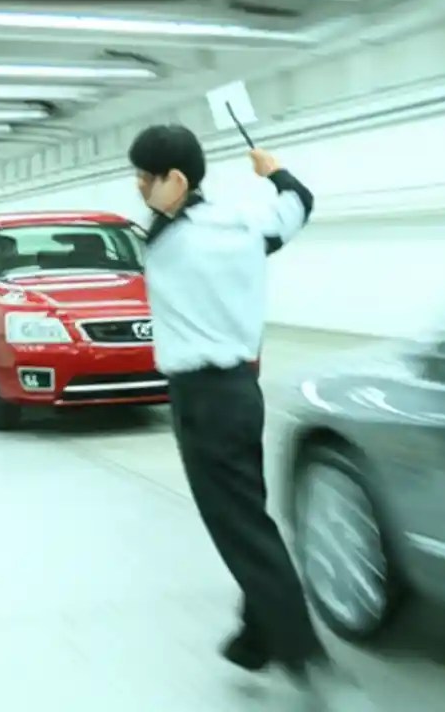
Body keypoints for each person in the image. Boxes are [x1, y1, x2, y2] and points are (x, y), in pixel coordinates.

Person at [128, 124, 370, 711]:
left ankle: (304, 654)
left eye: (145, 177)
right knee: (249, 517)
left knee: (240, 529)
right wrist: (273, 170)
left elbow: (155, 230)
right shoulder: (245, 225)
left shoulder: (164, 241)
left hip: (201, 403)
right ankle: (256, 637)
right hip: (242, 393)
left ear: (174, 180)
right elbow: (299, 204)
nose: (138, 187)